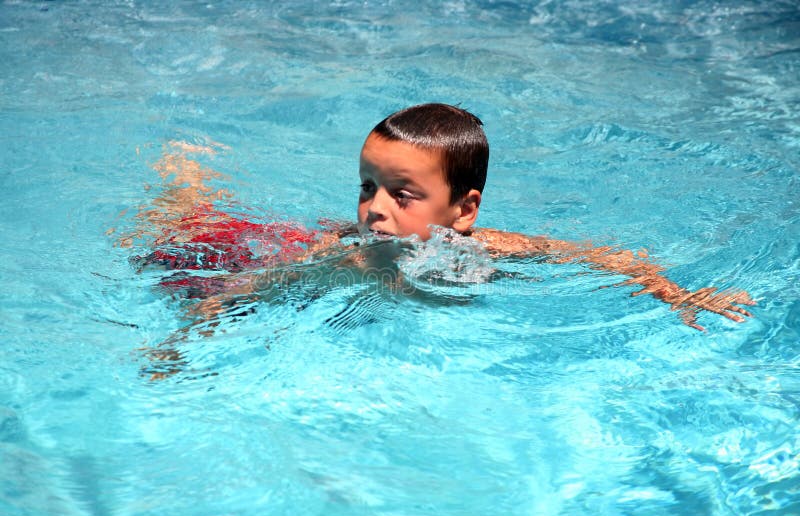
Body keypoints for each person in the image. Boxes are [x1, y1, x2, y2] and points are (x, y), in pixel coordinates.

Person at [125, 102, 754, 373]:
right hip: (267, 242)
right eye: (366, 186)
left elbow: (603, 258)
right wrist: (192, 335)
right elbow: (244, 288)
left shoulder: (487, 247)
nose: (374, 210)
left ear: (464, 209)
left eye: (401, 195)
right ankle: (185, 181)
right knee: (181, 240)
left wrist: (678, 294)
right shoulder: (346, 251)